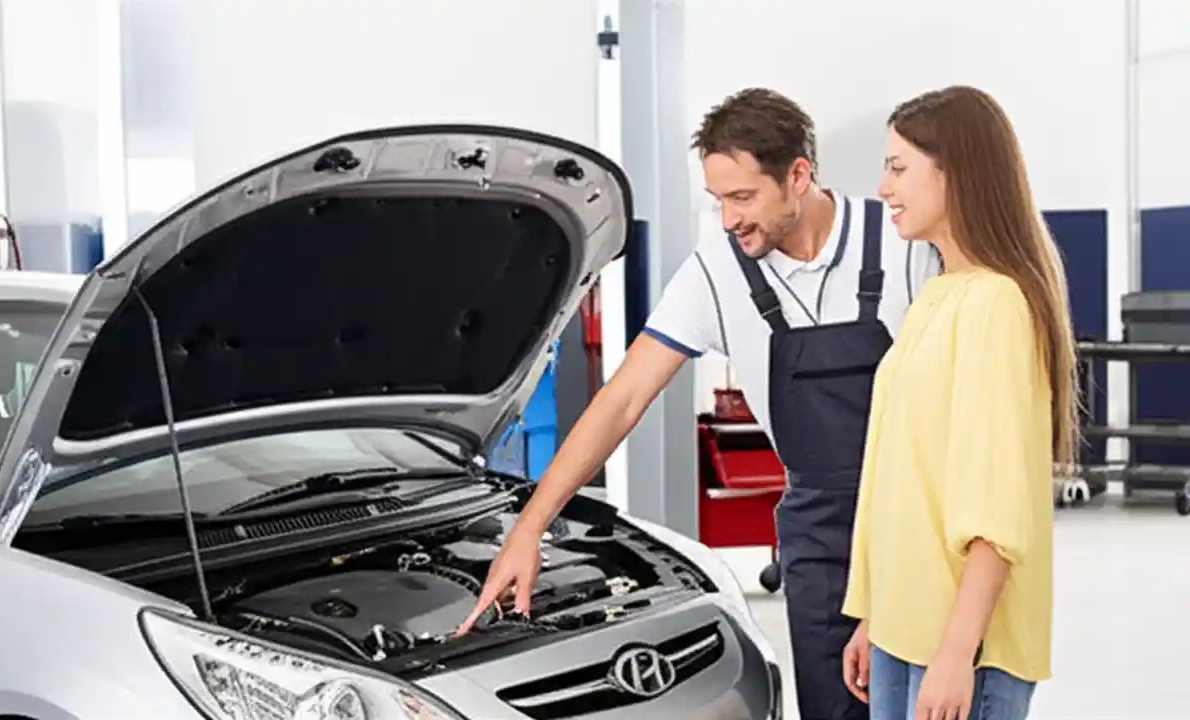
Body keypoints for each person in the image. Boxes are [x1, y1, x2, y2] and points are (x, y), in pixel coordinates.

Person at [456, 87, 941, 720]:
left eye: (743, 198)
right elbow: (623, 397)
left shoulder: (904, 245)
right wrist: (530, 527)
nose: (729, 219)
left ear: (798, 176)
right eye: (717, 201)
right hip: (820, 541)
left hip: (916, 521)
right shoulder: (718, 271)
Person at [839, 85, 1076, 720]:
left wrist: (953, 654)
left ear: (958, 171)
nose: (884, 188)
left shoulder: (996, 305)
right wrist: (873, 616)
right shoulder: (939, 295)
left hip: (960, 646)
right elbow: (901, 478)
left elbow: (996, 508)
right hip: (904, 631)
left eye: (898, 168)